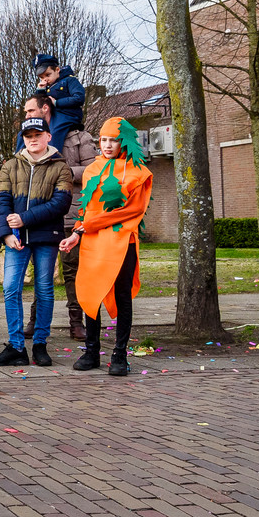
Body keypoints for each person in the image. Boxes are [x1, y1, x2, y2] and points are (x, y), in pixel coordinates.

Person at [65, 118, 153, 376]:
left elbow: (134, 209)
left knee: (122, 296)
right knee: (90, 294)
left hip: (123, 240)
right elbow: (86, 209)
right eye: (103, 140)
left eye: (113, 140)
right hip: (92, 241)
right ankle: (91, 351)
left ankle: (119, 354)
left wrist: (92, 223)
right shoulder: (92, 170)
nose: (107, 145)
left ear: (123, 141)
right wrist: (76, 233)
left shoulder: (139, 172)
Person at [0, 117, 74, 367]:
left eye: (38, 134)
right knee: (10, 288)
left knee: (44, 289)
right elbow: (1, 201)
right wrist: (5, 234)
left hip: (46, 237)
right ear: (23, 139)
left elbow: (61, 204)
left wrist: (24, 219)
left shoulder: (61, 166)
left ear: (48, 136)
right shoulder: (10, 166)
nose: (33, 139)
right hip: (16, 239)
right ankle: (16, 347)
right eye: (28, 136)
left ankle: (40, 345)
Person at [18, 93, 97, 339]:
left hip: (73, 213)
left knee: (73, 270)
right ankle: (35, 320)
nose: (27, 116)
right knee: (43, 272)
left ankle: (76, 321)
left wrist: (59, 172)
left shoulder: (78, 138)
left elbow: (94, 171)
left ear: (45, 108)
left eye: (30, 111)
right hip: (40, 216)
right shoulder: (29, 140)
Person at [31, 54, 85, 154]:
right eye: (41, 77)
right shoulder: (47, 86)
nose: (45, 79)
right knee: (29, 130)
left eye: (48, 75)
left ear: (57, 70)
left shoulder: (69, 80)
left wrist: (57, 103)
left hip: (68, 115)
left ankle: (53, 158)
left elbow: (79, 98)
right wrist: (40, 90)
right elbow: (39, 103)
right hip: (52, 117)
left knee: (54, 133)